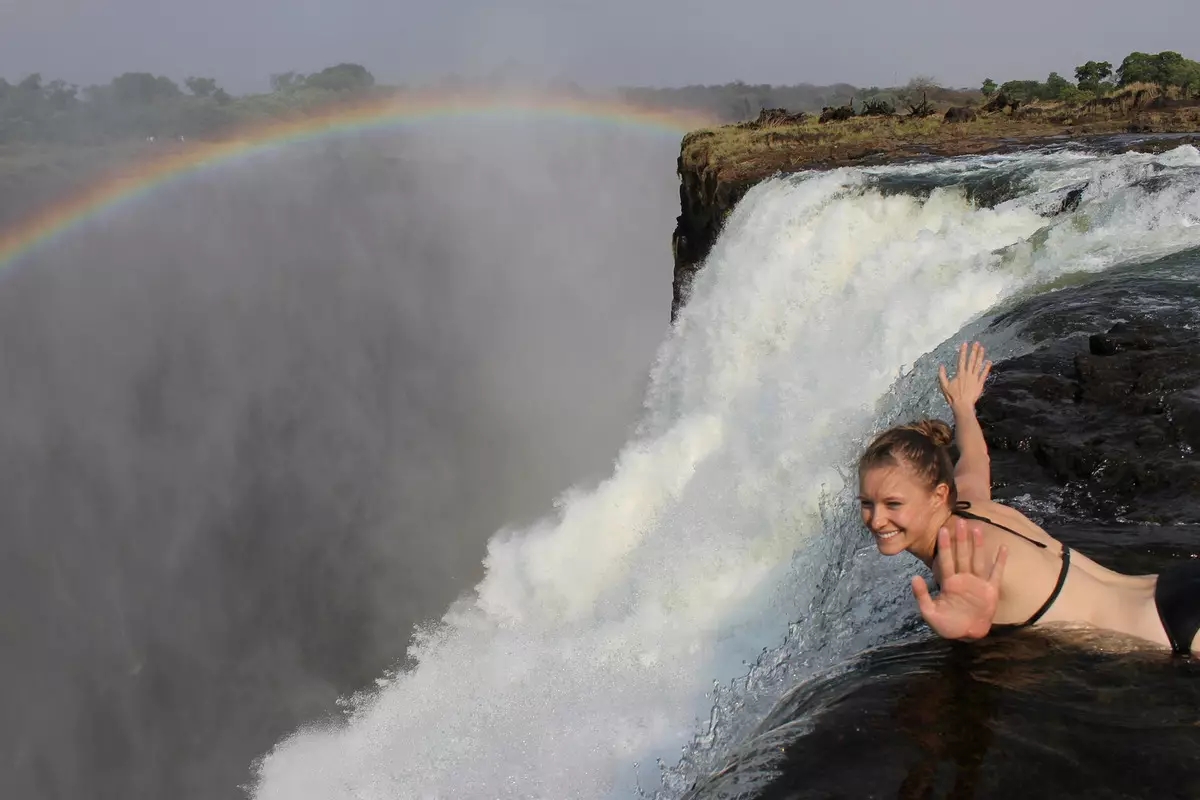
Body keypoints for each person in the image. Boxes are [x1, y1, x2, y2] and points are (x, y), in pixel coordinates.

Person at [857, 341, 1200, 656]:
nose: (876, 519)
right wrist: (963, 406)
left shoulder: (954, 556)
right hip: (1173, 585)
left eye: (893, 504)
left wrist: (967, 630)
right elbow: (975, 458)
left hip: (1164, 629)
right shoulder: (971, 505)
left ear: (937, 495)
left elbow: (973, 617)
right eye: (867, 503)